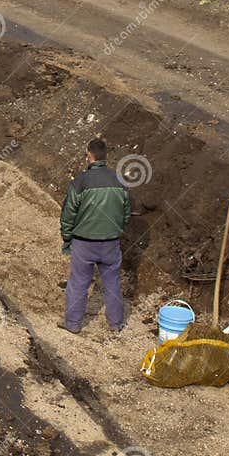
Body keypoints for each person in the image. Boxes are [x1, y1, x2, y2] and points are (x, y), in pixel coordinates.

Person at [59, 138, 131, 333]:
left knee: (79, 282)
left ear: (89, 155)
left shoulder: (80, 182)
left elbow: (68, 214)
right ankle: (115, 324)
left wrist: (67, 238)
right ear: (106, 156)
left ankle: (73, 324)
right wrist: (116, 230)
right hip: (110, 243)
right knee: (112, 281)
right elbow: (125, 214)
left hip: (84, 243)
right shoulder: (120, 181)